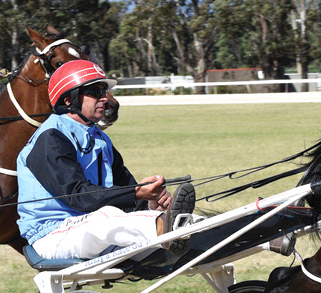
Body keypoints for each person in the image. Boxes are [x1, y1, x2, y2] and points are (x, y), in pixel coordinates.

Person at [17, 59, 195, 260]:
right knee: (106, 216)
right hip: (51, 235)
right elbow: (78, 197)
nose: (104, 99)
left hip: (92, 231)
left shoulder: (100, 139)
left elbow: (123, 192)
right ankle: (165, 227)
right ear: (69, 100)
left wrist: (149, 204)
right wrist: (136, 193)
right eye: (95, 93)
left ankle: (210, 231)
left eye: (104, 92)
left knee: (119, 219)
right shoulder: (50, 138)